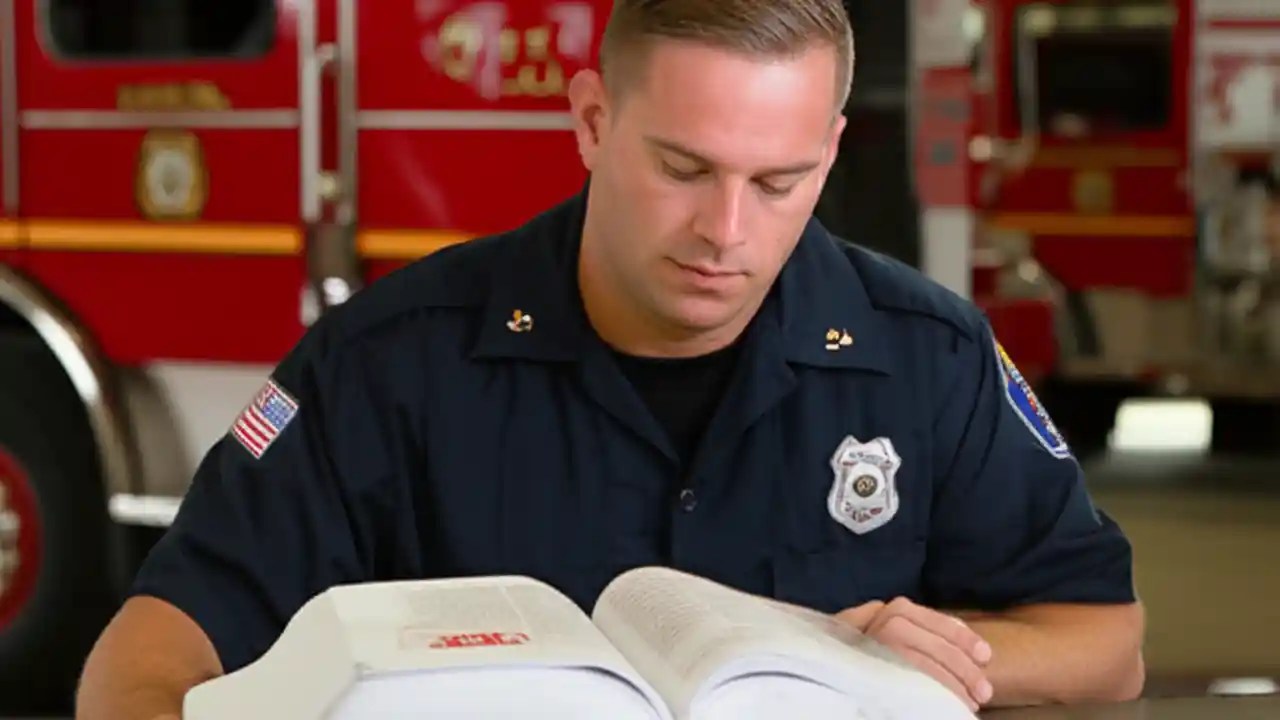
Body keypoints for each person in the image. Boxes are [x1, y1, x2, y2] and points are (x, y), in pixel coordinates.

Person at [76, 1, 1145, 717]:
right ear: (590, 120)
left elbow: (1107, 643)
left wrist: (936, 659)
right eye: (682, 168)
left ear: (826, 152)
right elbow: (145, 654)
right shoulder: (391, 361)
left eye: (777, 183)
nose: (725, 230)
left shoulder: (927, 358)